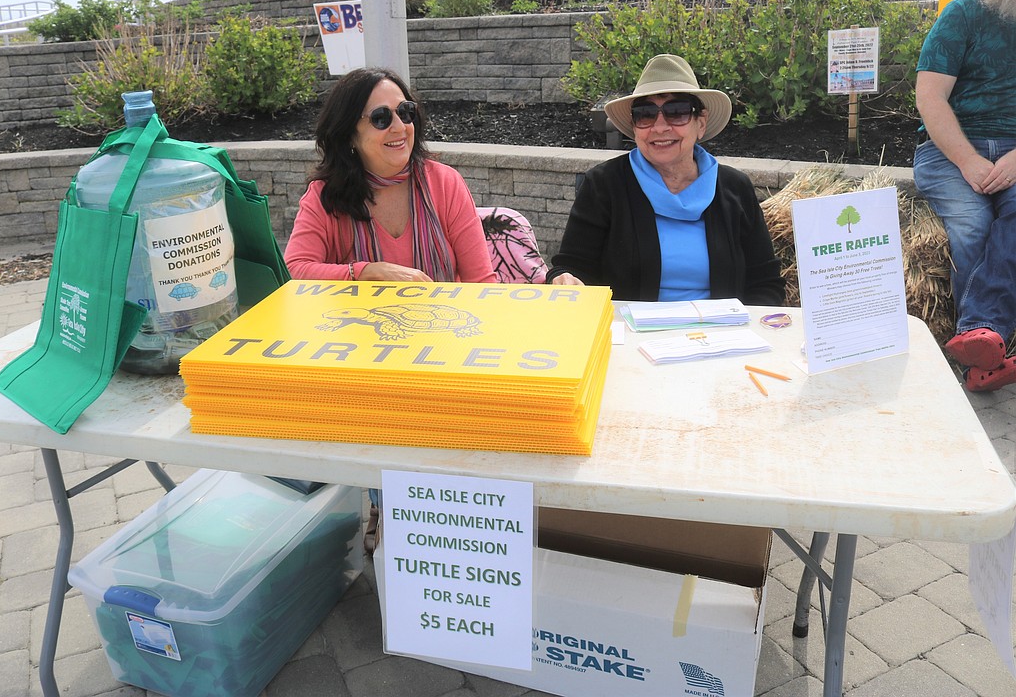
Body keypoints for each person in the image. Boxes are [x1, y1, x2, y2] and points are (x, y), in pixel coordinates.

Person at [284, 67, 497, 551]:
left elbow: (484, 283)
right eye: (381, 117)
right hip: (365, 356)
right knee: (379, 426)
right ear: (350, 135)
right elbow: (296, 270)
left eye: (406, 112)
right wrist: (365, 272)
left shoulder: (443, 183)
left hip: (444, 348)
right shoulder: (325, 198)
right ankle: (384, 503)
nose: (400, 126)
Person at [545, 54, 785, 307]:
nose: (660, 127)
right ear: (635, 126)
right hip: (631, 336)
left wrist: (748, 328)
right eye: (645, 114)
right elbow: (572, 268)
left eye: (677, 112)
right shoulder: (604, 184)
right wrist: (565, 279)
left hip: (720, 335)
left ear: (700, 124)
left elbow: (765, 283)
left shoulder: (734, 188)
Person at [913, 0, 1016, 392]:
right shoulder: (962, 15)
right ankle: (986, 343)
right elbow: (930, 98)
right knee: (972, 225)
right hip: (950, 149)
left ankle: (982, 347)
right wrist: (968, 160)